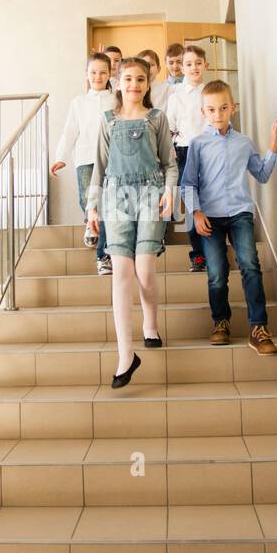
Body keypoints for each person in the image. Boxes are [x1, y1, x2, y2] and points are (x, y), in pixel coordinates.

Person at [85, 58, 179, 388]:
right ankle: (126, 354)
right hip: (115, 198)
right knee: (121, 272)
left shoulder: (157, 118)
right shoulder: (107, 120)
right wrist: (92, 209)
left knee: (144, 269)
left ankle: (150, 323)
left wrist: (170, 193)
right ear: (117, 81)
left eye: (140, 79)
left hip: (150, 196)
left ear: (148, 83)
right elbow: (99, 167)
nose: (134, 85)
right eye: (128, 79)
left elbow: (169, 163)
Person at [180, 80, 277, 355]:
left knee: (250, 265)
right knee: (216, 274)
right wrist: (196, 212)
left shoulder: (244, 143)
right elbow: (188, 183)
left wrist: (273, 147)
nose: (218, 114)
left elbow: (261, 174)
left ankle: (258, 328)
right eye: (212, 109)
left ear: (233, 108)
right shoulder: (198, 144)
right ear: (203, 112)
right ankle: (221, 322)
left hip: (240, 213)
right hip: (210, 218)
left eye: (223, 108)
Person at [50, 52, 115, 274]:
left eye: (103, 72)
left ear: (110, 74)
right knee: (87, 200)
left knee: (104, 207)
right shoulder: (79, 102)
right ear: (86, 74)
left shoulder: (116, 100)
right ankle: (90, 223)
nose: (98, 76)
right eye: (93, 72)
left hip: (111, 158)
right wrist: (60, 157)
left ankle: (103, 257)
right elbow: (70, 132)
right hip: (85, 158)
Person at [162, 45, 209, 271]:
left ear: (205, 65)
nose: (193, 68)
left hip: (210, 151)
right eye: (188, 64)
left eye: (198, 63)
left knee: (211, 201)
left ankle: (215, 249)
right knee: (192, 204)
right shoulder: (176, 94)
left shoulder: (210, 90)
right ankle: (198, 254)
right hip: (184, 152)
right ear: (182, 67)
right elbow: (170, 125)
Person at [150, 42, 184, 110]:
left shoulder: (191, 84)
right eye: (171, 63)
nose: (175, 66)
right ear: (165, 64)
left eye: (179, 62)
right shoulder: (161, 88)